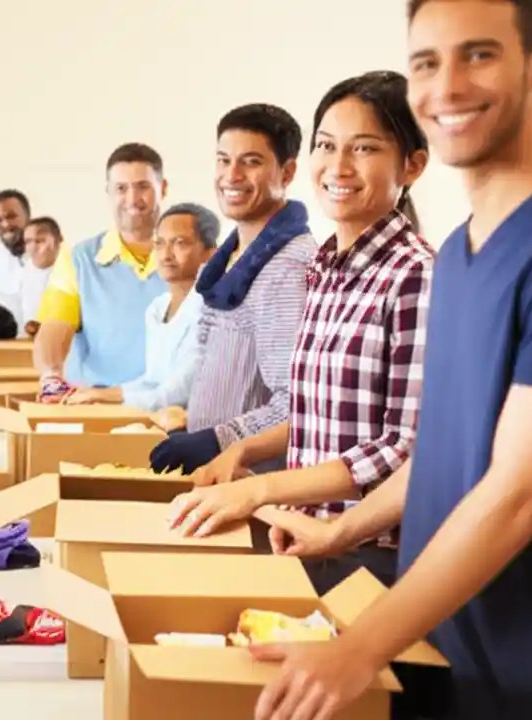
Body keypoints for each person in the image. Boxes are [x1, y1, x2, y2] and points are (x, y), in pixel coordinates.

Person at [254, 2, 532, 718]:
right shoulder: (461, 253)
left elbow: (520, 493)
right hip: (442, 647)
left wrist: (358, 647)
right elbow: (448, 454)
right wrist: (337, 531)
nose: (446, 86)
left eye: (478, 55)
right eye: (427, 62)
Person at [169, 72, 432, 598]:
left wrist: (265, 487)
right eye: (327, 146)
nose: (339, 167)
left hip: (369, 550)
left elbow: (406, 447)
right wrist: (242, 455)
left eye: (364, 148)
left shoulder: (415, 275)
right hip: (300, 536)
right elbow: (318, 414)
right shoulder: (325, 268)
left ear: (413, 164)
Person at [147, 105, 314, 474]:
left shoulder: (286, 268)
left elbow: (297, 404)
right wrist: (190, 419)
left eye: (251, 161)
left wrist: (216, 438)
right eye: (223, 160)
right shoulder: (228, 258)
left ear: (286, 172)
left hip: (254, 484)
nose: (231, 176)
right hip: (215, 477)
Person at [34, 143, 169, 393]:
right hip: (95, 402)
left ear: (163, 189)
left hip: (169, 406)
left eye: (143, 187)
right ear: (108, 192)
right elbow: (55, 327)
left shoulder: (193, 257)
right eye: (121, 188)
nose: (132, 198)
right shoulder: (77, 259)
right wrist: (51, 374)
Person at [62, 203, 219, 409]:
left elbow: (178, 393)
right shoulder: (158, 308)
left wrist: (110, 398)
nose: (166, 254)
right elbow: (152, 381)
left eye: (179, 243)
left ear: (211, 253)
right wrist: (98, 393)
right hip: (158, 417)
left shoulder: (212, 310)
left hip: (192, 424)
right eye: (160, 244)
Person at [0, 188, 32, 318]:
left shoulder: (50, 251)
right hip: (6, 336)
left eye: (11, 217)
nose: (5, 224)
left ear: (28, 217)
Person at [17, 216, 62, 335]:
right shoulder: (23, 272)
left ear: (58, 241)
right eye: (28, 241)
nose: (32, 248)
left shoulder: (74, 269)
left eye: (40, 241)